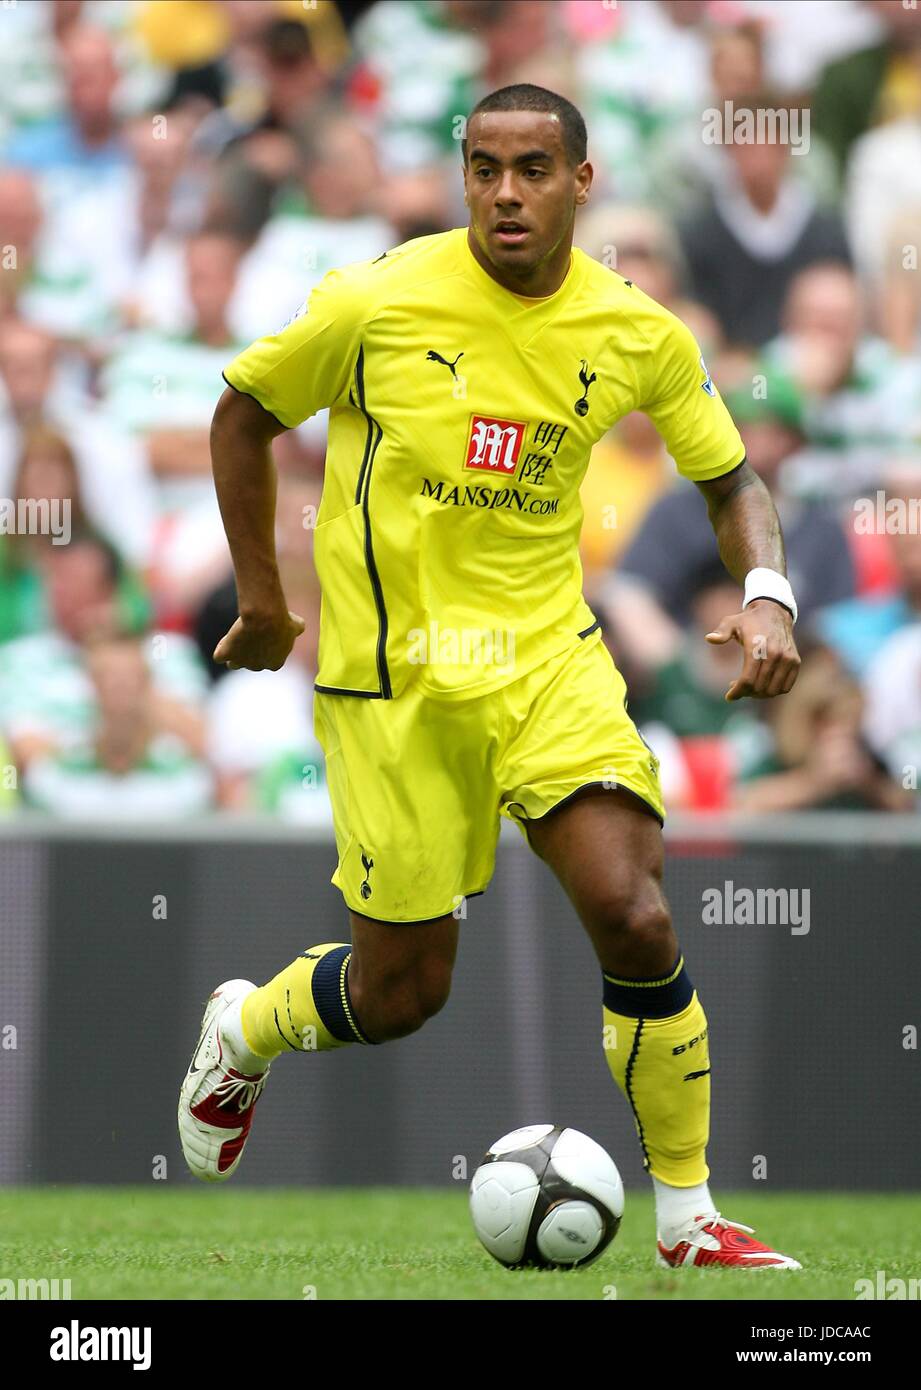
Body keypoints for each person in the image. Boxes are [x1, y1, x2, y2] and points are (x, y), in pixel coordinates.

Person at [178, 84, 803, 1271]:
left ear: (582, 179)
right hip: (391, 687)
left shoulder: (637, 332)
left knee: (633, 908)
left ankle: (687, 1218)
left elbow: (732, 481)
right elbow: (240, 412)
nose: (505, 192)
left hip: (546, 666)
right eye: (483, 168)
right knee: (404, 990)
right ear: (463, 176)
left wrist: (767, 595)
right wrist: (263, 596)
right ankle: (246, 1025)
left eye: (530, 168)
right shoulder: (375, 298)